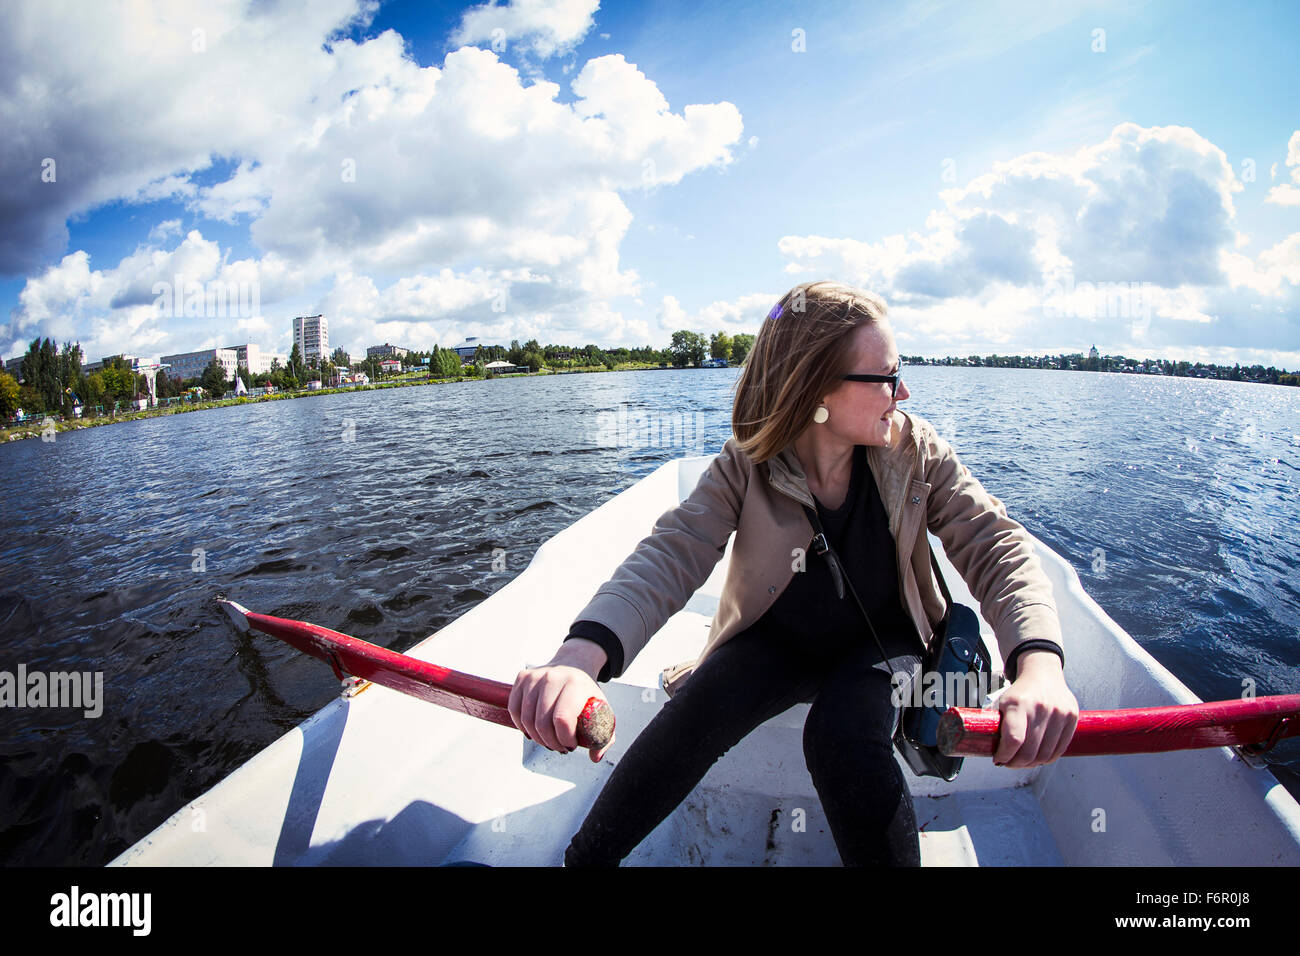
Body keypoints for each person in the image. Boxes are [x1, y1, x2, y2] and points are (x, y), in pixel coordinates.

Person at [508, 280, 1079, 866]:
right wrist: (580, 657)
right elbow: (673, 553)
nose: (902, 391)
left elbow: (994, 545)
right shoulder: (746, 461)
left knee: (842, 736)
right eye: (885, 377)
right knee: (696, 710)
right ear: (816, 391)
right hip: (778, 641)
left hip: (884, 645)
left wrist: (1038, 667)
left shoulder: (915, 452)